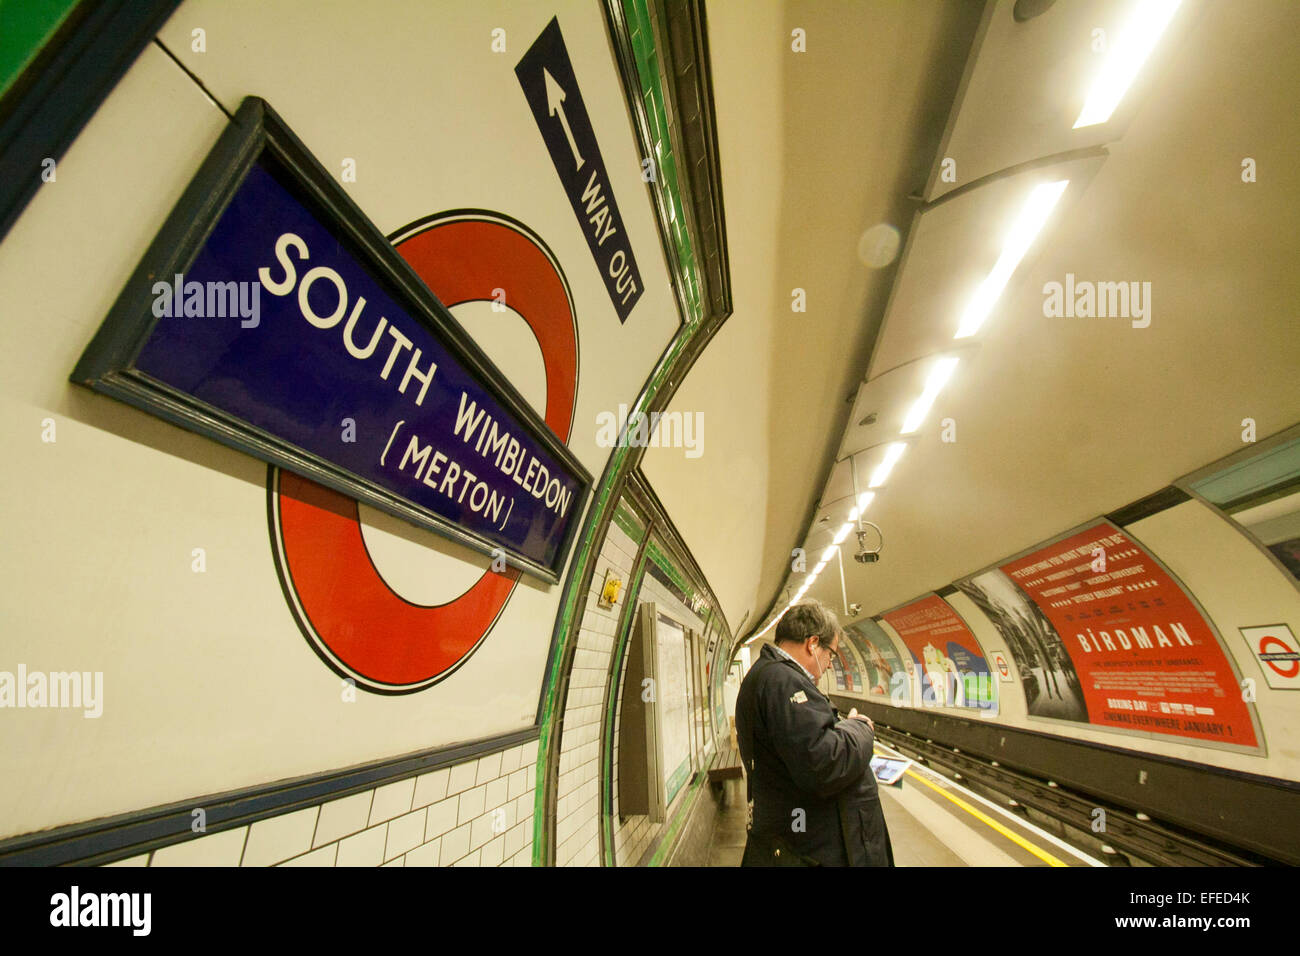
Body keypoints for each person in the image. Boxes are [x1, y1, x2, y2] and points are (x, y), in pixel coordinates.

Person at [736, 600, 893, 866]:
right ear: (812, 643)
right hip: (805, 848)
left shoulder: (767, 675)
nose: (830, 664)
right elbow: (822, 762)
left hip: (793, 839)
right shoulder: (783, 681)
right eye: (831, 653)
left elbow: (803, 741)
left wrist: (842, 730)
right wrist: (860, 727)